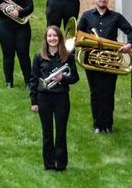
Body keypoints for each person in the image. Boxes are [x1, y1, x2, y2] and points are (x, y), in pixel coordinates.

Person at [78, 0, 132, 134]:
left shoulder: (116, 17)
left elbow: (130, 30)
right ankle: (97, 124)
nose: (103, 0)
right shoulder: (86, 16)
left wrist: (129, 44)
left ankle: (108, 125)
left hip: (110, 60)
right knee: (95, 93)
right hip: (92, 60)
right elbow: (77, 34)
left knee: (109, 93)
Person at [30, 25, 80, 172]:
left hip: (61, 98)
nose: (52, 38)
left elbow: (75, 78)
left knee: (61, 132)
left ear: (60, 38)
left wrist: (62, 78)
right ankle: (49, 164)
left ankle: (61, 165)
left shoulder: (67, 57)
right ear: (46, 39)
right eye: (49, 36)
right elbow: (33, 80)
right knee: (47, 133)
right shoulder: (38, 57)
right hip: (43, 98)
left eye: (55, 36)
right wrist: (34, 101)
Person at [0, 0, 35, 88]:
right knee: (8, 54)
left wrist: (18, 13)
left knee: (23, 54)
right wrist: (4, 11)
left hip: (22, 27)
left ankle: (28, 81)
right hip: (5, 27)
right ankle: (9, 82)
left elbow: (30, 7)